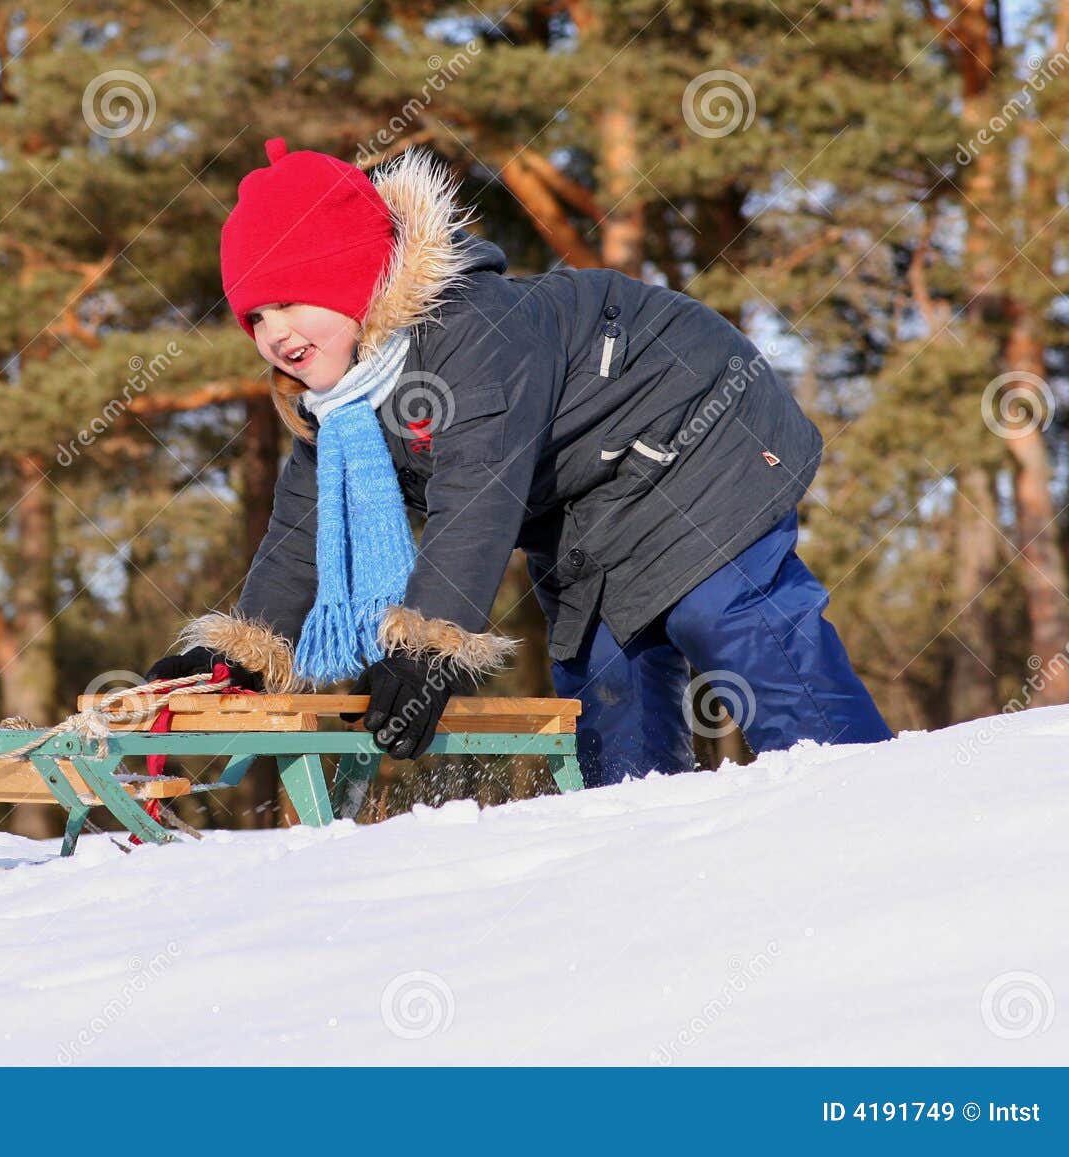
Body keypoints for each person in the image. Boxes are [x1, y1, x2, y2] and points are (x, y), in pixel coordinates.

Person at [146, 138, 891, 786]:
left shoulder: (470, 331)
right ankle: (646, 858)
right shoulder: (338, 412)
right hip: (591, 507)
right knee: (605, 682)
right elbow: (304, 530)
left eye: (291, 299)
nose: (274, 334)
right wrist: (241, 654)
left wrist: (429, 643)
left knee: (722, 614)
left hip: (697, 426)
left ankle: (860, 800)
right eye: (255, 316)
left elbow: (478, 488)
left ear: (354, 278)